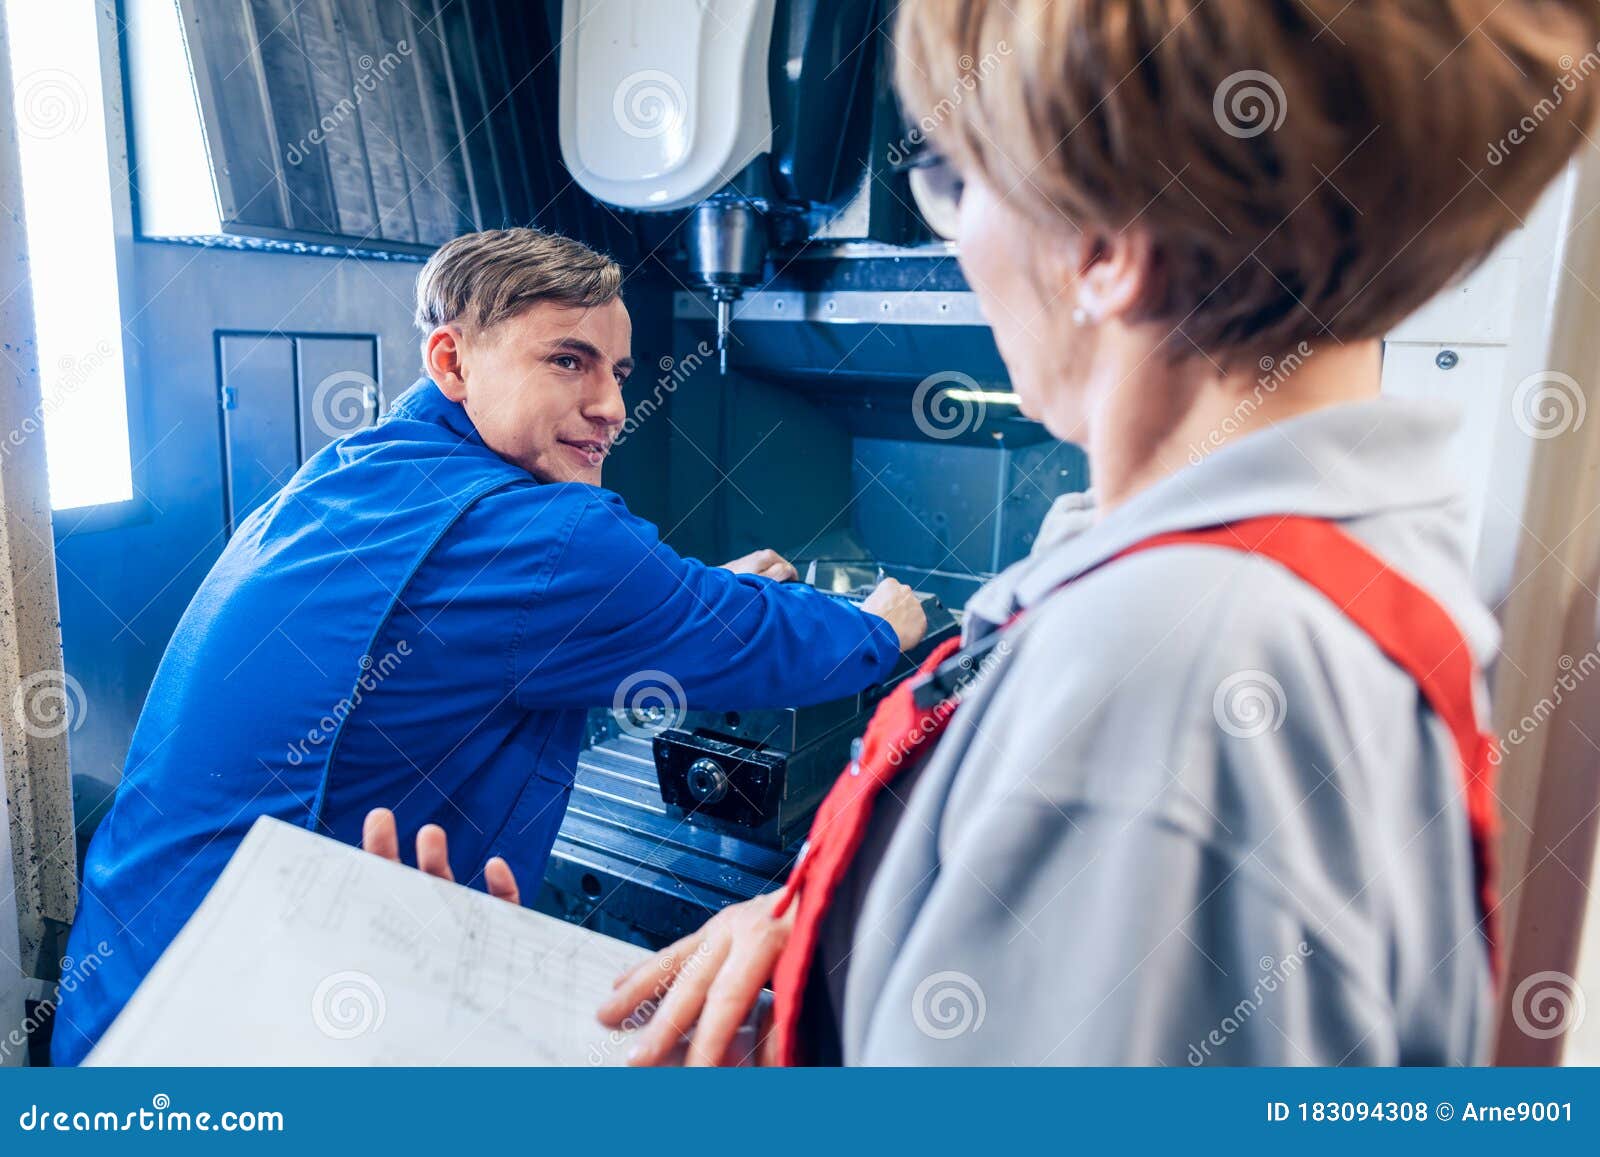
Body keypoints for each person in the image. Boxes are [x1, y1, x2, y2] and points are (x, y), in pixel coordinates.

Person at [372, 0, 1598, 1065]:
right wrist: (830, 940)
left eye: (954, 180)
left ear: (1106, 250)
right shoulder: (1291, 577)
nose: (954, 233)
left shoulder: (1164, 666)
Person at [52, 227, 927, 1065]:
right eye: (567, 360)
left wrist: (666, 600)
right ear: (452, 360)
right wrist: (881, 625)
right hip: (243, 1043)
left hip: (120, 1006)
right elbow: (762, 637)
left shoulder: (352, 472)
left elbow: (500, 619)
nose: (612, 406)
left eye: (620, 371)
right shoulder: (549, 538)